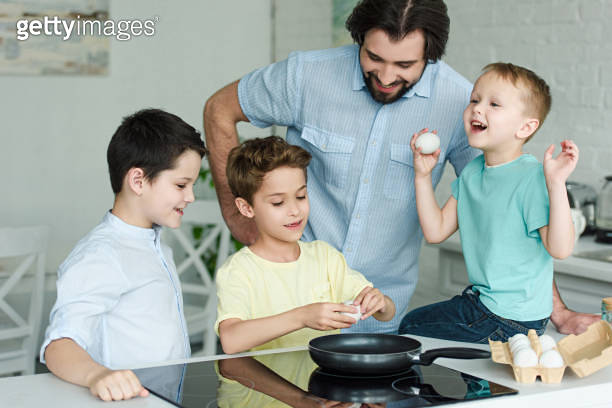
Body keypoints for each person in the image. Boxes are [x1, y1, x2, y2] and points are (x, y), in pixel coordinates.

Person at [204, 0, 597, 334]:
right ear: (359, 39)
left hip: (381, 316)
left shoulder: (462, 105)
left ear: (431, 54)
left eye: (405, 64)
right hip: (284, 310)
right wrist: (238, 217)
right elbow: (219, 109)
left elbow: (507, 210)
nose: (387, 76)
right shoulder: (305, 76)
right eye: (374, 57)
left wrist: (556, 310)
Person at [399, 63, 579, 342]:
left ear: (526, 127)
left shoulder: (533, 177)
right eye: (474, 100)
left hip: (512, 318)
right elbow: (435, 232)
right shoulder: (473, 172)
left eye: (494, 104)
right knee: (416, 326)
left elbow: (560, 248)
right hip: (485, 306)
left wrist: (556, 184)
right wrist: (423, 175)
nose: (477, 108)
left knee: (411, 326)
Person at [40, 109, 207, 401]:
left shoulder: (157, 243)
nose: (190, 196)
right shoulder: (101, 255)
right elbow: (59, 344)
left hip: (163, 396)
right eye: (181, 185)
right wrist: (97, 375)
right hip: (128, 400)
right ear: (138, 180)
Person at [214, 136, 395, 354]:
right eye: (278, 202)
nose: (295, 210)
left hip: (320, 384)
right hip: (263, 386)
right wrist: (301, 317)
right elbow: (231, 339)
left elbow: (387, 314)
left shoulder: (325, 257)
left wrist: (381, 303)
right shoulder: (239, 270)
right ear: (246, 208)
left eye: (300, 196)